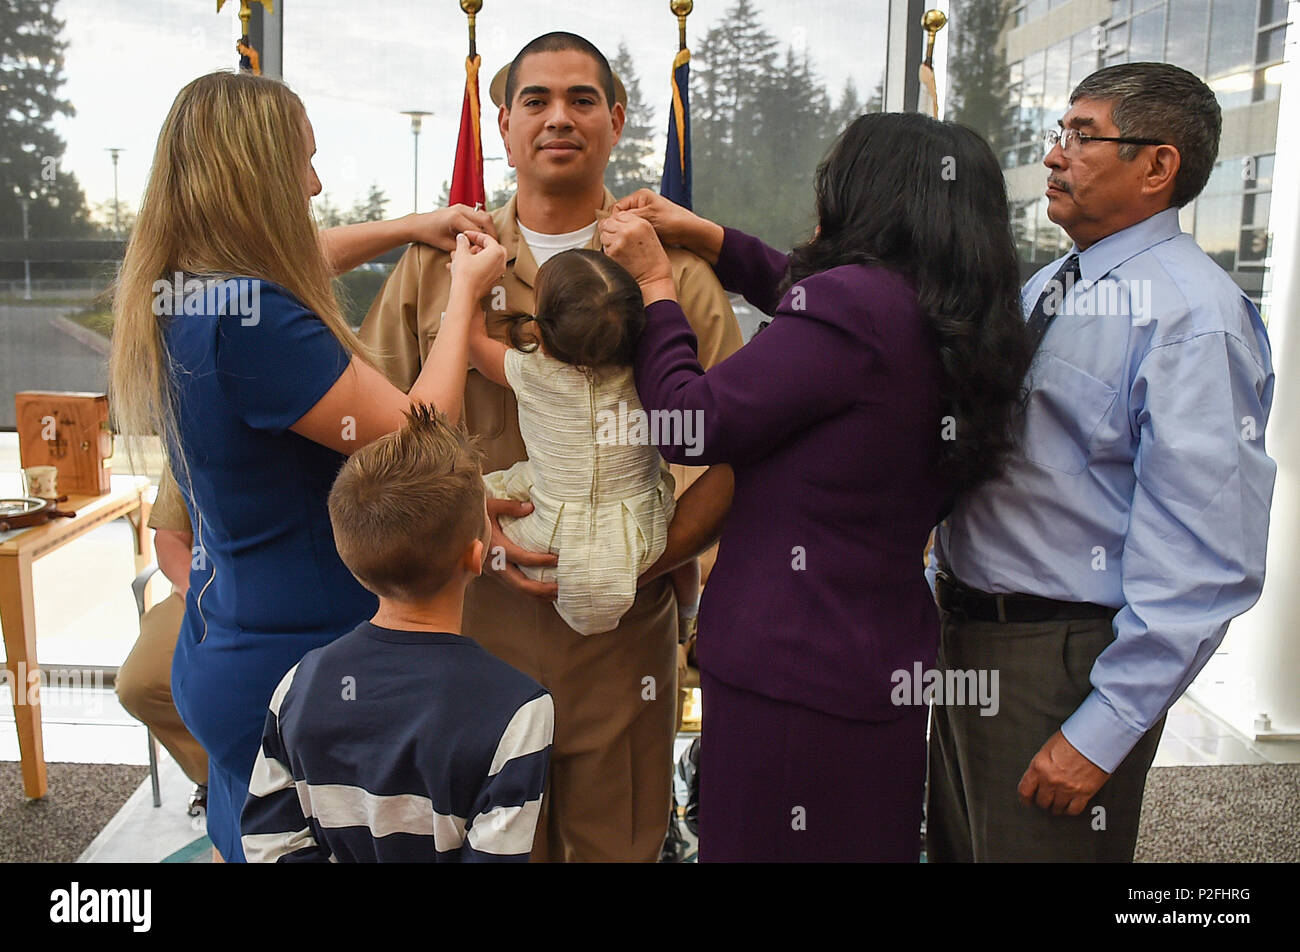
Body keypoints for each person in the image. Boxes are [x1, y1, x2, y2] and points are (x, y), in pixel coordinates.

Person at [600, 111, 1034, 861]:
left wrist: (655, 286)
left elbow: (687, 422)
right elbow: (812, 308)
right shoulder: (955, 317)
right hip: (873, 665)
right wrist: (712, 239)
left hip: (789, 674)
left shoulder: (856, 309)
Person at [358, 31, 742, 862]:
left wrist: (648, 555)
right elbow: (370, 437)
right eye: (536, 100)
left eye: (581, 100)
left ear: (617, 121)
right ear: (503, 124)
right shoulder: (439, 267)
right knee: (485, 847)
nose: (558, 118)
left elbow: (740, 452)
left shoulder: (672, 273)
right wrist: (462, 532)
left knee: (617, 844)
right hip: (469, 627)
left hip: (622, 639)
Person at [108, 69, 508, 862]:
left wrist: (412, 225)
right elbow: (422, 437)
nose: (317, 186)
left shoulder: (185, 291)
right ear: (257, 178)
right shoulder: (253, 326)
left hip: (222, 648)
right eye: (305, 164)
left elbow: (303, 260)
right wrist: (464, 296)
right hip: (298, 675)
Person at [926, 62, 1276, 862]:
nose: (1055, 155)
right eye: (1060, 133)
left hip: (1062, 662)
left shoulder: (1192, 318)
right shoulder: (1053, 284)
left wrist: (1103, 728)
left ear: (1158, 165)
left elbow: (1206, 554)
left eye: (1083, 137)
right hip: (968, 636)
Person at [241, 405, 554, 862]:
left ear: (352, 560)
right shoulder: (520, 711)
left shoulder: (297, 686)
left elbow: (269, 844)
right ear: (477, 555)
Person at [466, 247, 699, 638]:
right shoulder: (648, 372)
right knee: (679, 539)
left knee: (471, 501)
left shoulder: (529, 372)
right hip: (642, 542)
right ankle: (689, 613)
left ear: (540, 333)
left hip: (547, 548)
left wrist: (473, 287)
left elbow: (474, 341)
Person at [115, 466, 208, 815]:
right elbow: (170, 537)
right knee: (141, 683)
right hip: (201, 589)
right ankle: (212, 774)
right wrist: (197, 594)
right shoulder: (189, 441)